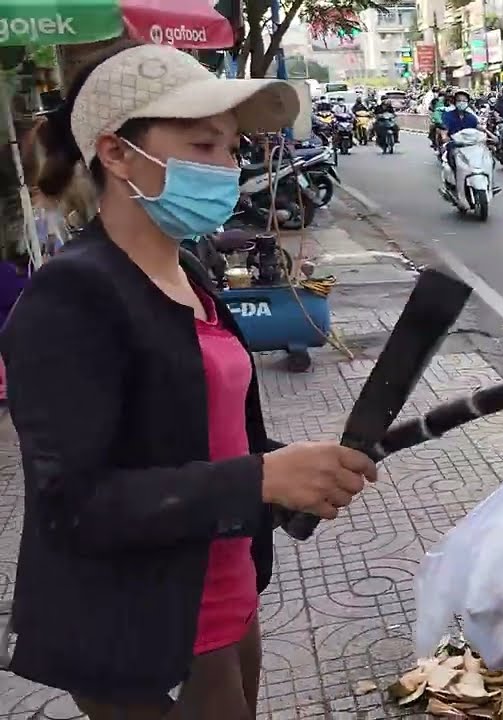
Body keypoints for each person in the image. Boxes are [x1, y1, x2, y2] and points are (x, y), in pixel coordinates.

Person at [0, 42, 379, 718]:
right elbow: (73, 503)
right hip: (146, 627)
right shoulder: (72, 297)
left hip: (227, 595)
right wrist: (260, 478)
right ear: (116, 154)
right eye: (203, 146)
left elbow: (210, 434)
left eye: (230, 149)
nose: (226, 168)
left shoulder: (192, 275)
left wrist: (290, 480)